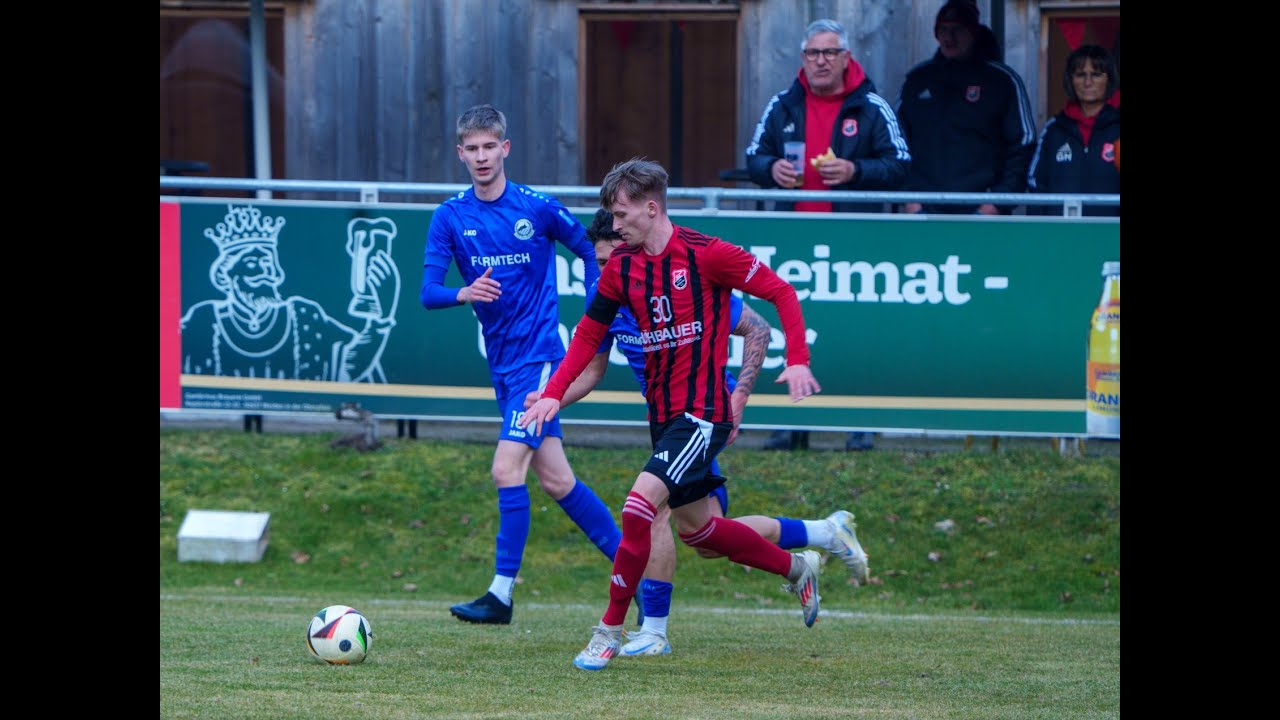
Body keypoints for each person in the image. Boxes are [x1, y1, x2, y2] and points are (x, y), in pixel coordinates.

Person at [520, 159, 827, 672]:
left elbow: (781, 292)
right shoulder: (621, 269)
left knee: (639, 507)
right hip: (664, 417)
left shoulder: (709, 256)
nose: (614, 227)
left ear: (651, 207)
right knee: (701, 532)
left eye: (620, 215)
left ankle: (609, 631)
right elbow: (589, 339)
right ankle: (796, 568)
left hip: (704, 414)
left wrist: (797, 359)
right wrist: (553, 393)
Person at [418, 104, 625, 626]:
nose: (483, 156)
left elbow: (593, 251)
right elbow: (427, 292)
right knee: (557, 481)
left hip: (540, 359)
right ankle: (635, 570)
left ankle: (501, 594)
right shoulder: (450, 216)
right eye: (473, 148)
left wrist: (598, 310)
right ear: (461, 153)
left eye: (492, 147)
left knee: (505, 467)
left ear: (505, 149)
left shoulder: (538, 207)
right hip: (504, 365)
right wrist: (463, 292)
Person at [745, 18, 910, 453]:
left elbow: (901, 165)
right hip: (795, 240)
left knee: (856, 331)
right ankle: (792, 425)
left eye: (829, 53)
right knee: (794, 329)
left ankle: (859, 423)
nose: (820, 61)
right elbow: (753, 157)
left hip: (854, 241)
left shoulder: (871, 106)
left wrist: (856, 171)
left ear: (845, 58)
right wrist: (771, 170)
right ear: (803, 58)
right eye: (813, 53)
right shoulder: (783, 104)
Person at [182, 205, 400, 382]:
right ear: (226, 274)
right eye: (251, 263)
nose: (264, 271)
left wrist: (380, 318)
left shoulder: (303, 316)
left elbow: (349, 368)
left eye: (267, 261)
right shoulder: (204, 318)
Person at [895, 0, 1036, 216]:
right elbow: (895, 142)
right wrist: (908, 197)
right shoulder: (918, 80)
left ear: (973, 32)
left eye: (957, 30)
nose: (949, 37)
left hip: (982, 212)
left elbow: (1023, 145)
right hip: (923, 211)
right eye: (943, 30)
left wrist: (998, 202)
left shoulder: (1002, 80)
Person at [1027, 44, 1120, 216]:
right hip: (1060, 236)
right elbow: (1036, 185)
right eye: (1080, 75)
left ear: (1109, 80)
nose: (1087, 82)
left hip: (1111, 236)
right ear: (1070, 80)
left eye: (1096, 74)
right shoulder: (1054, 130)